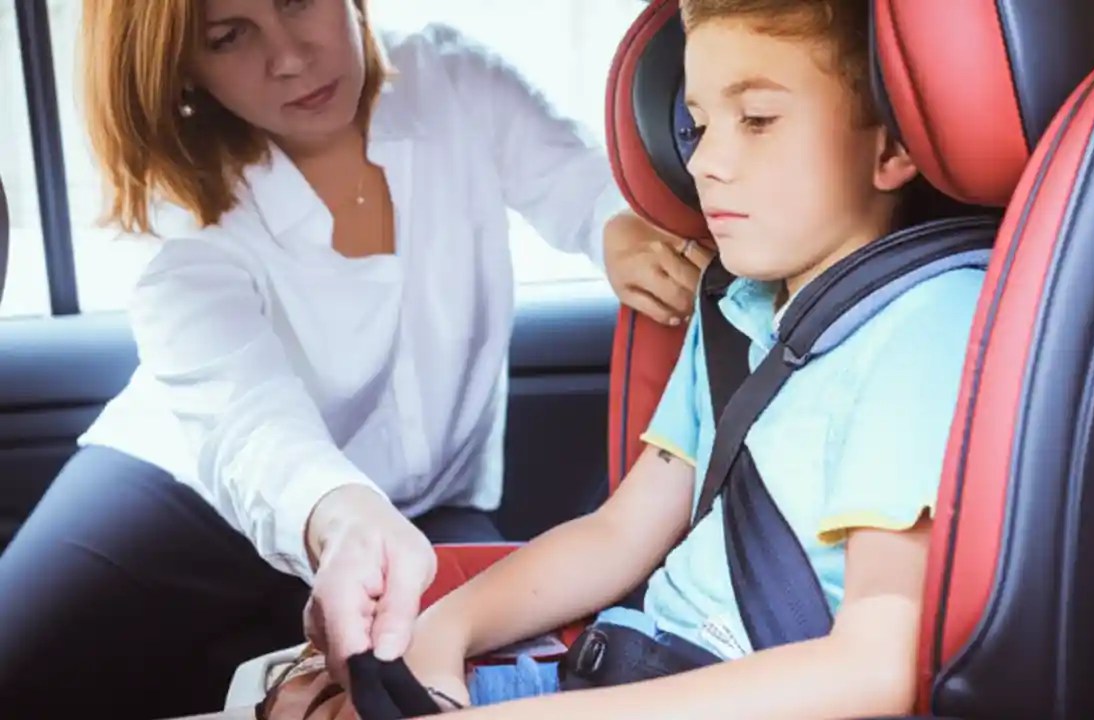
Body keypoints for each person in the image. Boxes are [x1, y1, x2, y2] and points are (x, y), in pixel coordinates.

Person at [266, 0, 986, 717]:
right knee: (300, 694)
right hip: (628, 668)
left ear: (890, 147)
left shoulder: (928, 326)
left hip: (723, 688)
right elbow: (621, 532)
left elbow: (876, 669)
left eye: (757, 120)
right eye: (697, 126)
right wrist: (442, 631)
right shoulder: (739, 311)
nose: (705, 161)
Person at [0, 0, 703, 717]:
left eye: (297, 1)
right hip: (189, 488)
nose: (289, 58)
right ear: (181, 68)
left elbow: (582, 183)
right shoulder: (173, 209)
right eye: (228, 36)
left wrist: (616, 230)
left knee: (474, 677)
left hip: (420, 513)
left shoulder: (454, 81)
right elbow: (248, 421)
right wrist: (338, 515)